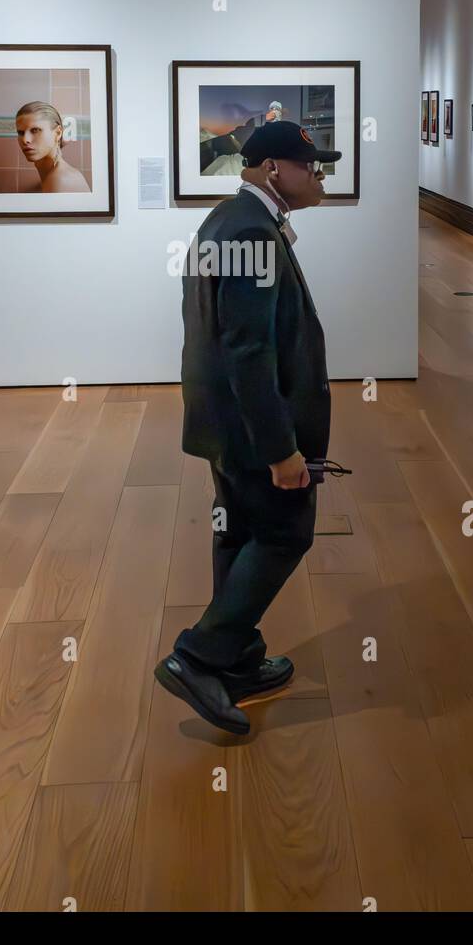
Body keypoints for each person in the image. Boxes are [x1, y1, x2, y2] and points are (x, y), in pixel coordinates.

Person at [156, 120, 336, 735]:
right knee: (285, 533)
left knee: (234, 529)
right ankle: (199, 657)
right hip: (251, 426)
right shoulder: (252, 232)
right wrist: (281, 448)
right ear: (272, 171)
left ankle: (238, 657)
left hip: (223, 422)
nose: (319, 176)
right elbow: (247, 351)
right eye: (310, 166)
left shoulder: (229, 220)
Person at [14, 101, 90, 192]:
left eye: (35, 130)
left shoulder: (60, 180)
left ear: (58, 133)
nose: (25, 139)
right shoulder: (54, 177)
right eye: (21, 133)